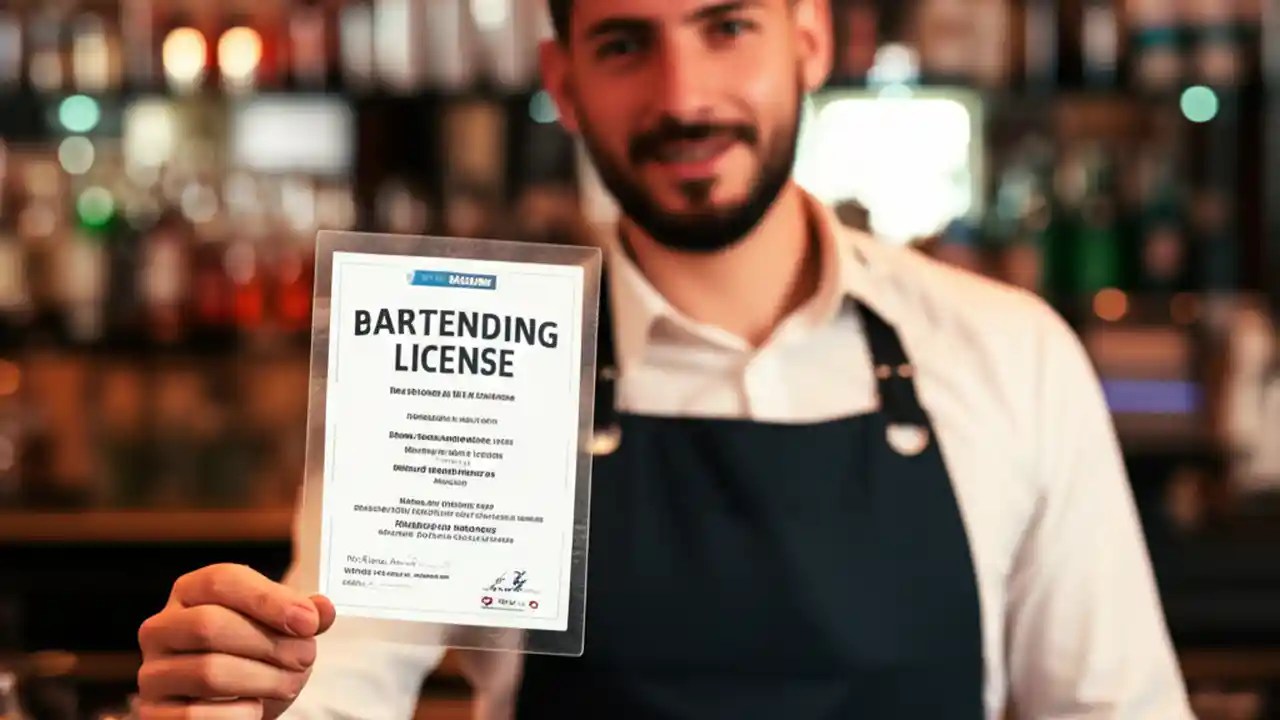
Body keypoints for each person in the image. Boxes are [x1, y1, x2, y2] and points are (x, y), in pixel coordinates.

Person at [134, 0, 1196, 717]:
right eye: (624, 42)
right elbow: (341, 680)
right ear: (561, 78)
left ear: (809, 37)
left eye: (725, 25)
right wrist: (240, 687)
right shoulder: (470, 364)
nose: (684, 97)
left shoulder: (1008, 354)